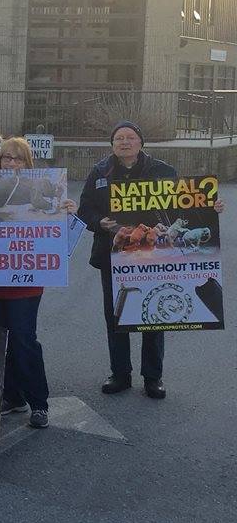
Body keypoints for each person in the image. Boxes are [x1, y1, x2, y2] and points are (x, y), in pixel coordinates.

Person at [78, 121, 188, 399]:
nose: (124, 142)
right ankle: (120, 374)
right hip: (114, 254)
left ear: (141, 142)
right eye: (118, 139)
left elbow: (184, 205)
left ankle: (153, 377)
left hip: (153, 253)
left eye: (130, 137)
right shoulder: (99, 172)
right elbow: (85, 209)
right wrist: (98, 222)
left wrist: (211, 206)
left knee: (154, 314)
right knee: (116, 315)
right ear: (112, 145)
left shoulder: (164, 171)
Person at [0, 137, 76, 429]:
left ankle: (38, 403)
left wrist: (65, 211)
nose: (12, 164)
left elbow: (55, 224)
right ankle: (11, 397)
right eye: (7, 158)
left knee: (23, 340)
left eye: (18, 159)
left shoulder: (39, 182)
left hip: (26, 281)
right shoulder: (0, 184)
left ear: (27, 162)